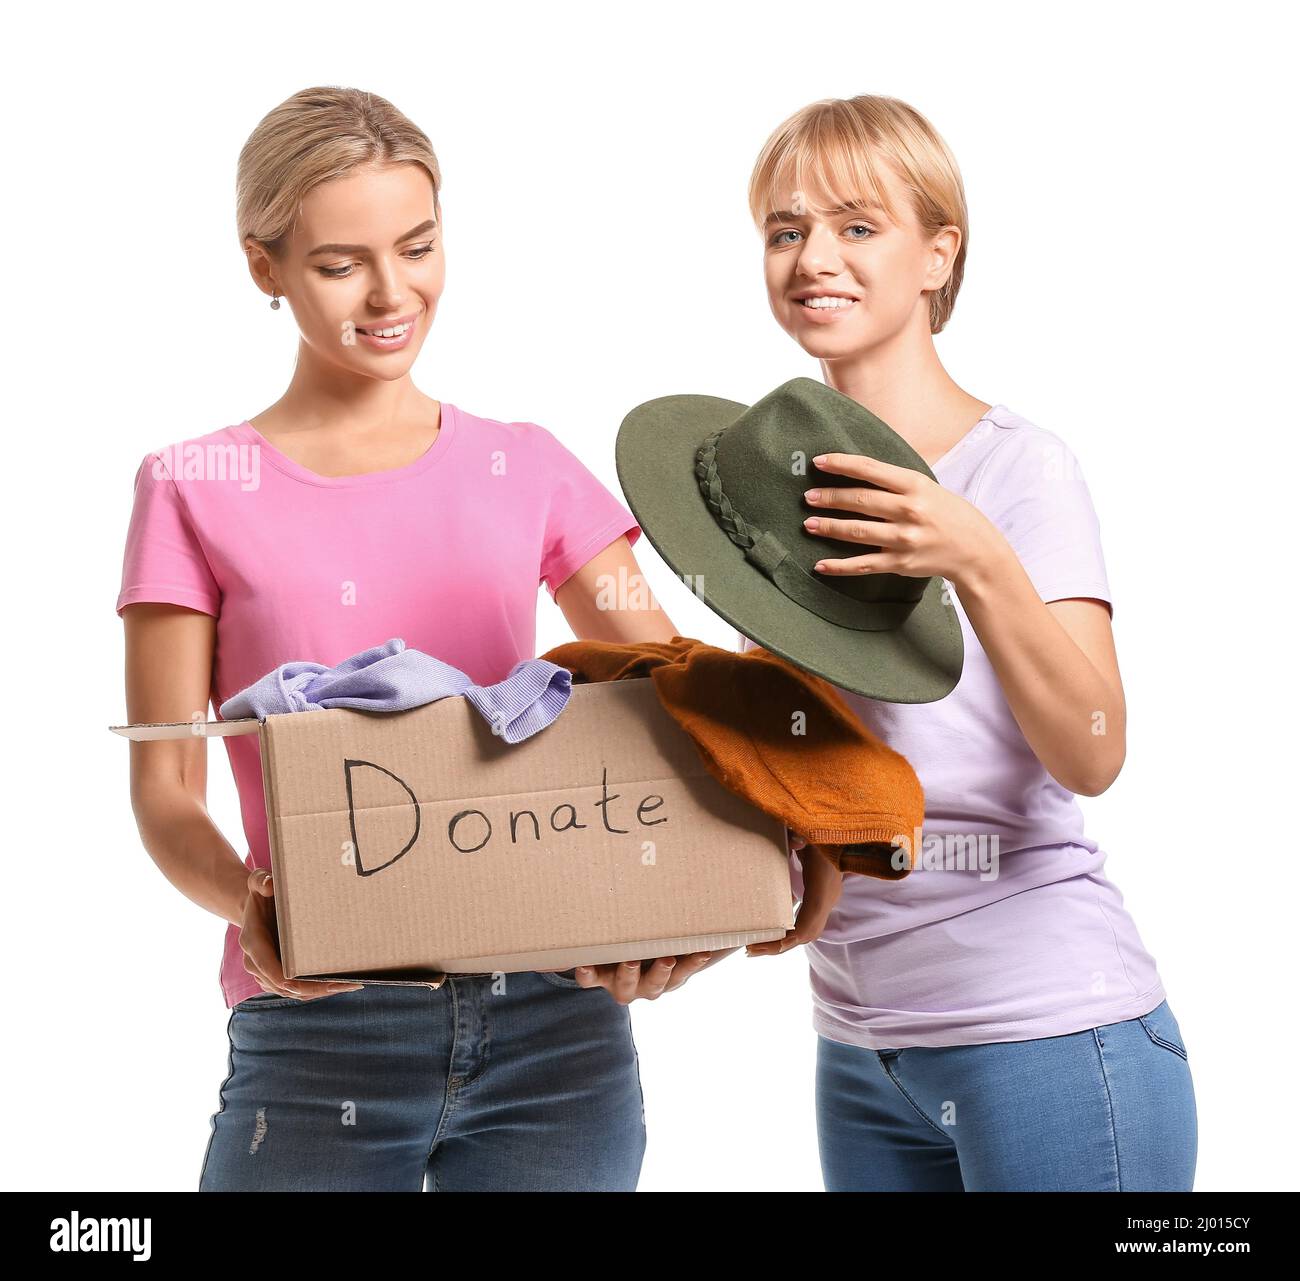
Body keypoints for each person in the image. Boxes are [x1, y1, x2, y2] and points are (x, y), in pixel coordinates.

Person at [116, 85, 749, 1192]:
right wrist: (250, 904)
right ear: (263, 266)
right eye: (339, 262)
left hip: (556, 1026)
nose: (391, 292)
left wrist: (683, 909)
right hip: (317, 1022)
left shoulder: (527, 462)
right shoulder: (191, 487)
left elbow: (677, 706)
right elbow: (165, 791)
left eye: (417, 246)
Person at [741, 95, 1197, 1192]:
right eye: (784, 229)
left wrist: (976, 557)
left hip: (1047, 1033)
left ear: (937, 254)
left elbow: (1093, 751)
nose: (814, 259)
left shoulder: (1017, 469)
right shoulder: (769, 495)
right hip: (858, 1047)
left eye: (858, 226)